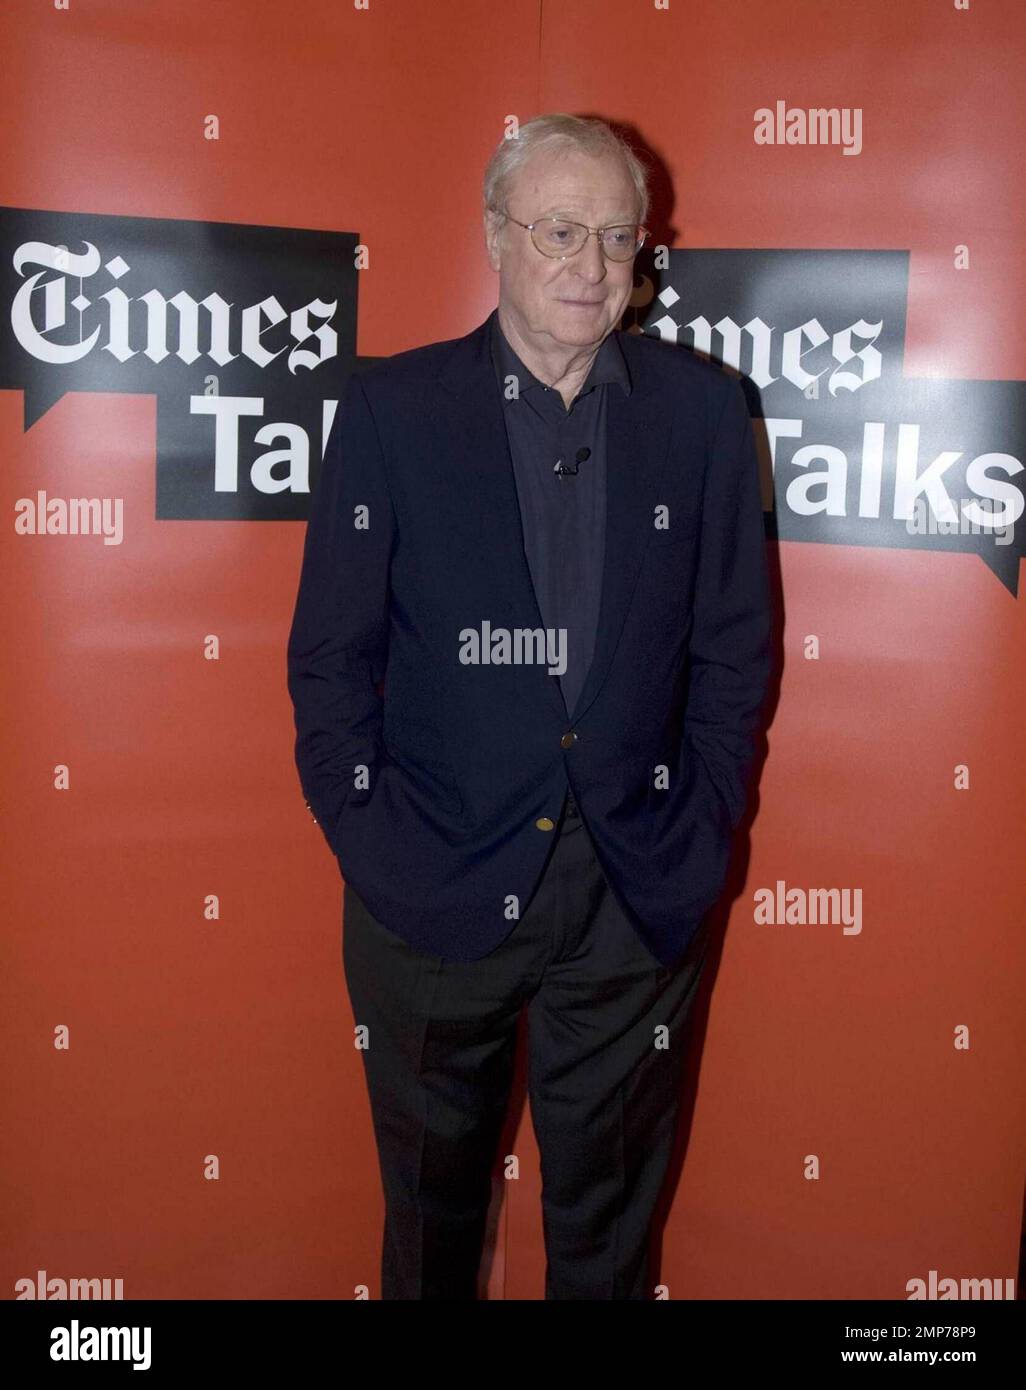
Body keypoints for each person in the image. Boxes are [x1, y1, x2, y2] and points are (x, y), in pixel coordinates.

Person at [286, 113, 772, 1299]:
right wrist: (377, 843)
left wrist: (696, 833)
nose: (592, 266)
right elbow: (330, 662)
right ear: (495, 237)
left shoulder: (707, 415)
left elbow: (735, 652)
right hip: (430, 898)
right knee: (431, 1227)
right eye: (560, 231)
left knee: (606, 1238)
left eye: (619, 236)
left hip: (632, 899)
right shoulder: (392, 412)